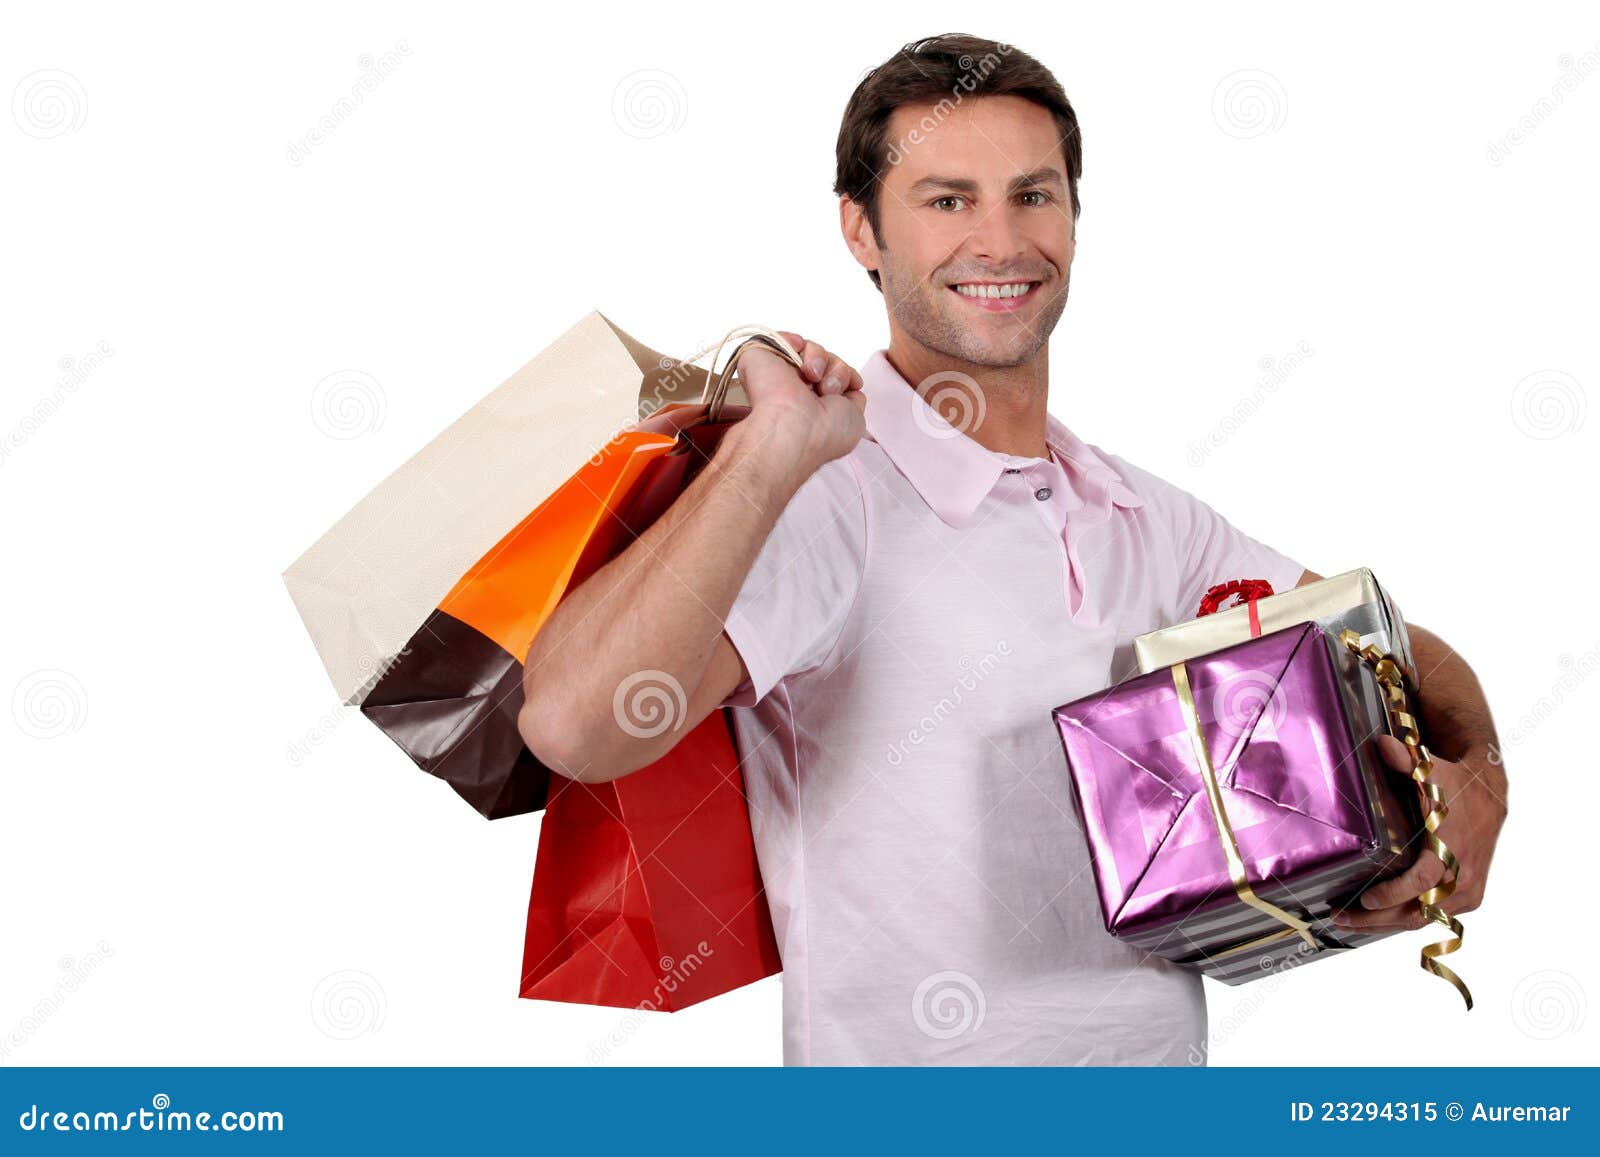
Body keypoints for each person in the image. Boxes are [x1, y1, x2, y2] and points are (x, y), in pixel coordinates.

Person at [518, 33, 1506, 1065]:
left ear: (1073, 216)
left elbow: (1400, 650)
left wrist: (1473, 779)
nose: (1000, 239)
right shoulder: (822, 498)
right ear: (860, 229)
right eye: (946, 201)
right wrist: (767, 451)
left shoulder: (1144, 517)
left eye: (1032, 195)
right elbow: (576, 722)